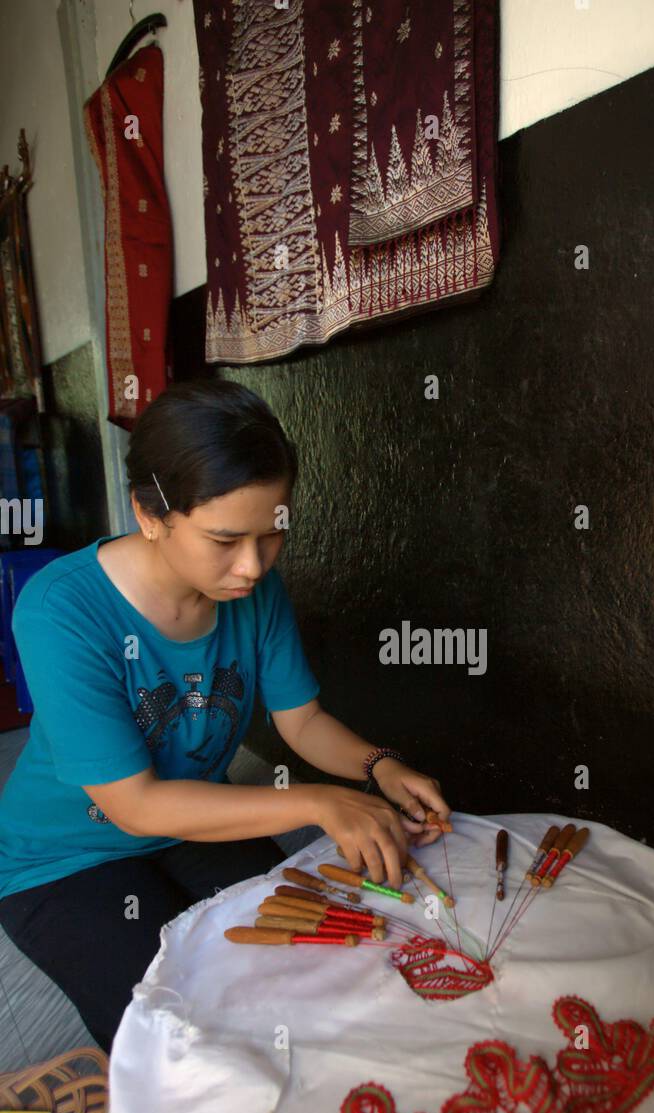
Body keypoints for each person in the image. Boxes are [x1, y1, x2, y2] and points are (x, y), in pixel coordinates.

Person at [0, 380, 449, 1052]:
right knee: (172, 1032)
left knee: (309, 964)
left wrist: (377, 767)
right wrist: (322, 804)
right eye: (224, 539)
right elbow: (137, 808)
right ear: (150, 514)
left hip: (193, 822)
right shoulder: (62, 609)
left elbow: (302, 723)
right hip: (64, 856)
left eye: (272, 536)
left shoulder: (254, 593)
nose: (251, 566)